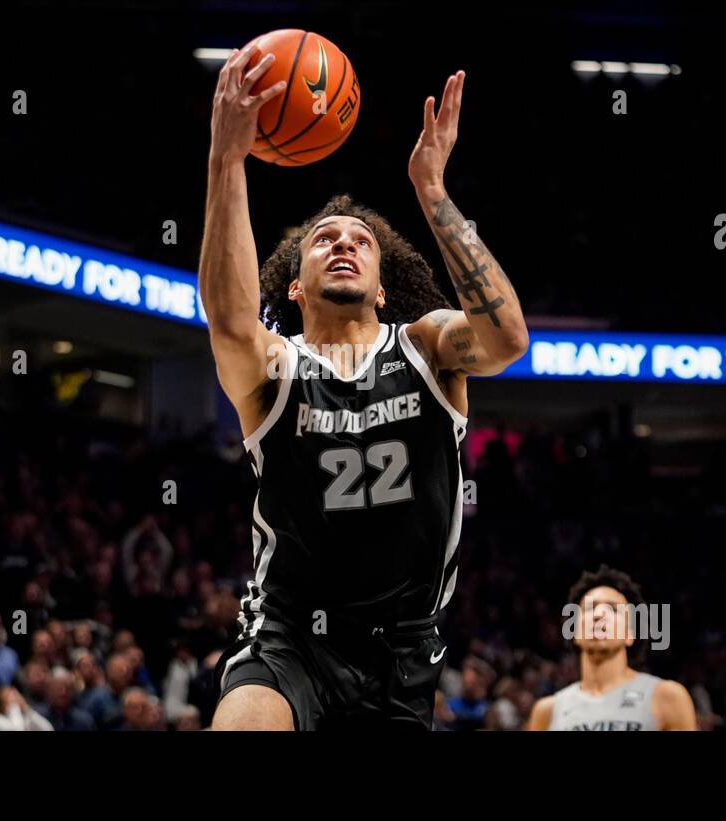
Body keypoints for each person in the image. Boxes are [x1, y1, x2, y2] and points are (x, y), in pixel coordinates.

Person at [200, 49, 527, 730]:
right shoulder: (274, 368)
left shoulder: (427, 347)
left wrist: (434, 195)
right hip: (288, 635)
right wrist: (226, 161)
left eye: (361, 241)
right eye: (323, 240)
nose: (344, 243)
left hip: (402, 653)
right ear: (294, 285)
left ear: (382, 285)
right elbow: (230, 320)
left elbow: (506, 339)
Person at [527, 566, 697, 731]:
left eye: (613, 609)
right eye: (589, 608)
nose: (599, 614)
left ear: (629, 634)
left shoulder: (666, 697)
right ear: (575, 632)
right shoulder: (547, 711)